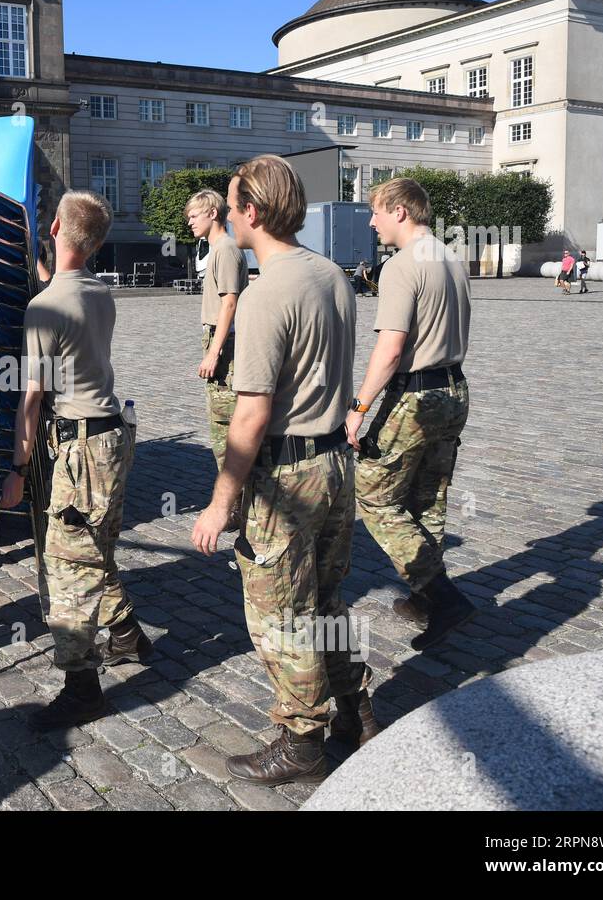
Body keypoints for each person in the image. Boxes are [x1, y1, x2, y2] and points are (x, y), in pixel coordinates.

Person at [192, 156, 377, 785]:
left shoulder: (269, 291)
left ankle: (302, 741)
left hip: (289, 474)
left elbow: (250, 414)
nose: (225, 211)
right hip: (333, 463)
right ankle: (355, 712)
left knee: (281, 614)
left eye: (232, 201)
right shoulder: (332, 275)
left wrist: (221, 503)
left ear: (252, 212)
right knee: (327, 600)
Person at [0, 190, 153, 731]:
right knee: (94, 546)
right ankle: (129, 634)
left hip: (79, 448)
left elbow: (33, 396)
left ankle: (82, 689)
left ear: (58, 227)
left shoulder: (45, 307)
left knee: (67, 569)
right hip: (111, 434)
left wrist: (17, 470)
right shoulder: (98, 290)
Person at [347, 177, 475, 651]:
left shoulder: (402, 266)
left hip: (417, 394)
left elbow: (391, 347)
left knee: (375, 495)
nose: (372, 220)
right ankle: (425, 599)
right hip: (454, 388)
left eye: (376, 211)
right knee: (428, 498)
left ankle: (442, 595)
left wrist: (359, 407)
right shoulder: (449, 256)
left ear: (400, 211)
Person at [187, 189, 247, 468]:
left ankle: (236, 497)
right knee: (221, 421)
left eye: (194, 215)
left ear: (213, 213)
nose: (190, 221)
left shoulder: (225, 249)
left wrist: (214, 352)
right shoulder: (218, 250)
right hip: (221, 338)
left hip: (226, 342)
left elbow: (230, 304)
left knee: (226, 425)